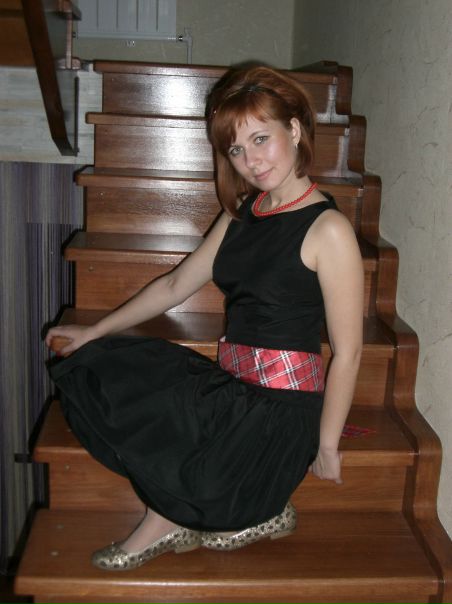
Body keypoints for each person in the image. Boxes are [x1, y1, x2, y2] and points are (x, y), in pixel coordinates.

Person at [45, 65, 363, 571]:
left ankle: (181, 518)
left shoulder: (329, 230)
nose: (251, 161)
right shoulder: (245, 211)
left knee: (194, 466)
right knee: (106, 368)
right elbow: (176, 285)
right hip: (231, 387)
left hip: (280, 410)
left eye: (261, 139)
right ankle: (192, 517)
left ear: (294, 129)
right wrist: (96, 329)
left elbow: (348, 352)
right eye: (236, 149)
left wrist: (327, 445)